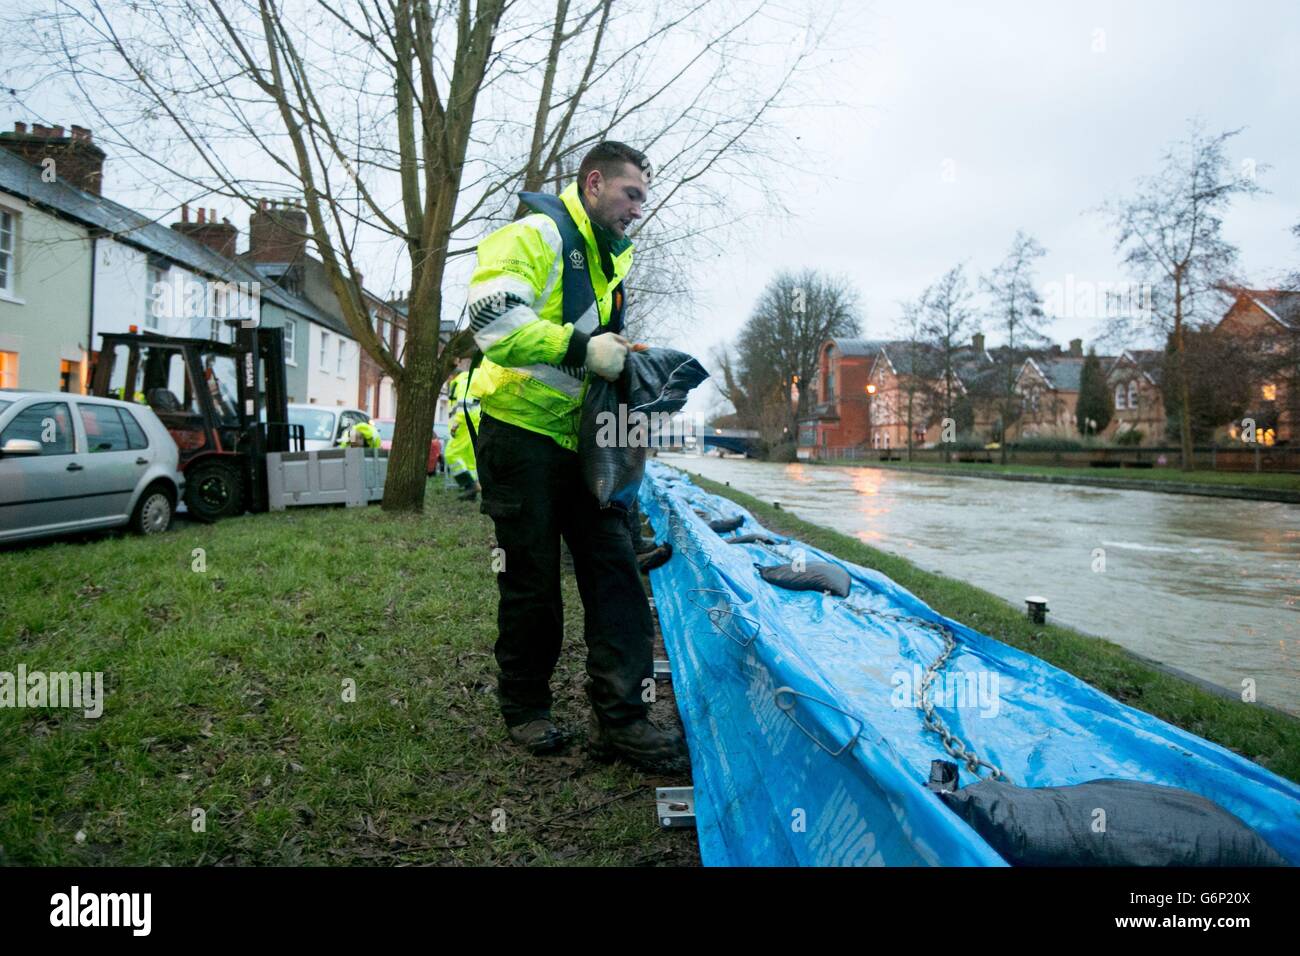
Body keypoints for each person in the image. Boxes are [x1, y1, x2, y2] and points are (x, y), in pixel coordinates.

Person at [465, 141, 686, 768]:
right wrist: (584, 349)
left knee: (617, 576)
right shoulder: (535, 234)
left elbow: (588, 340)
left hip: (585, 448)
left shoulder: (611, 258)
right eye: (631, 194)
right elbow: (490, 320)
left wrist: (621, 351)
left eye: (644, 197)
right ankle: (526, 710)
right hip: (520, 438)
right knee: (530, 582)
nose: (639, 209)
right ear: (594, 184)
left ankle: (623, 721)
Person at [444, 365, 483, 502]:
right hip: (474, 423)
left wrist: (456, 423)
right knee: (469, 461)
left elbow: (463, 403)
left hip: (465, 424)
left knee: (451, 453)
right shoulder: (470, 379)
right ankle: (470, 494)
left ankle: (470, 485)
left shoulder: (462, 382)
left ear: (451, 376)